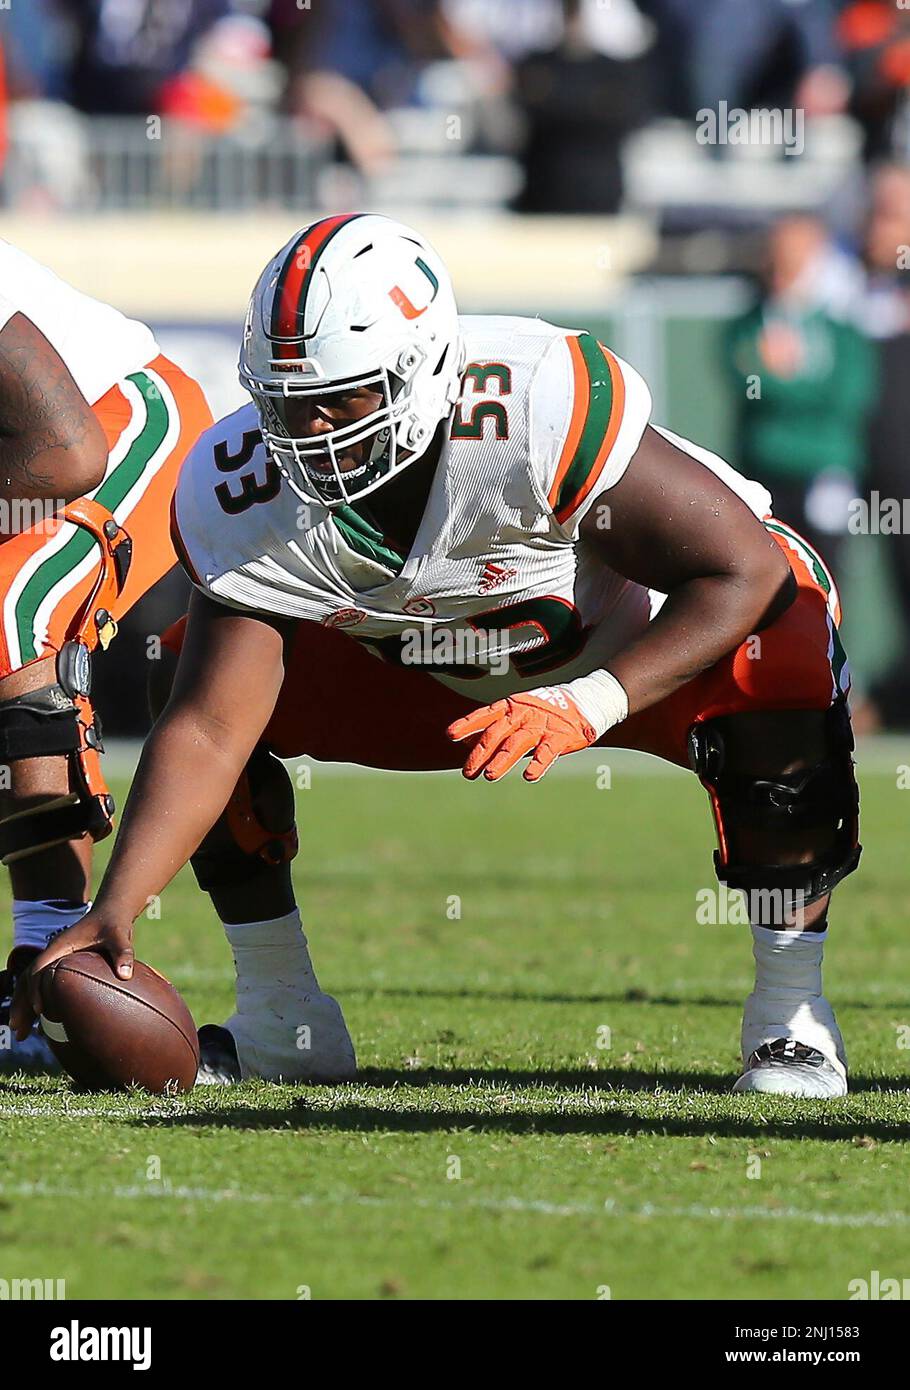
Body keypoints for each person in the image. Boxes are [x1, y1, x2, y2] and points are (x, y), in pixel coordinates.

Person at [14, 214, 861, 1098]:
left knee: (782, 646)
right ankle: (282, 1016)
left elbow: (743, 570)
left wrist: (592, 703)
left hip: (641, 653)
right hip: (434, 672)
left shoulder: (533, 403)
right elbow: (210, 727)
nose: (307, 432)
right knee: (188, 666)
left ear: (422, 368)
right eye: (284, 402)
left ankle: (793, 1018)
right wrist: (117, 909)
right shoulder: (245, 486)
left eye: (339, 399)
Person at [0, 239, 212, 1069]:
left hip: (115, 422)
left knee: (15, 614)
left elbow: (66, 454)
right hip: (36, 445)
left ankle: (46, 961)